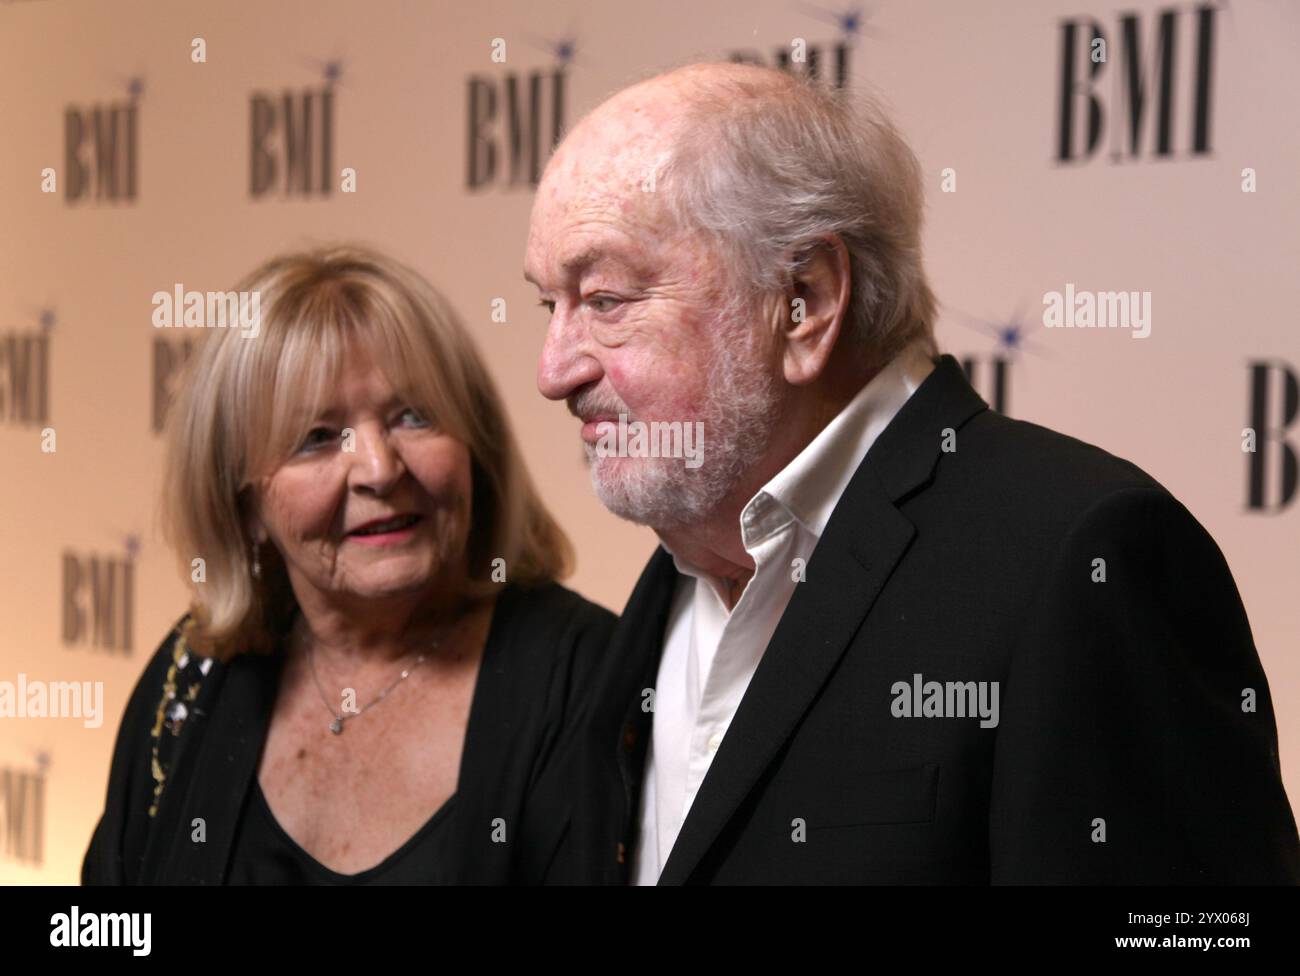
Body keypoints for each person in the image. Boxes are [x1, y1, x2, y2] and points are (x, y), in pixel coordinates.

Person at [523, 61, 1300, 884]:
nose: (553, 371)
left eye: (605, 300)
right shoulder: (682, 564)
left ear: (805, 300)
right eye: (549, 306)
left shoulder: (1081, 558)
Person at [83, 244, 615, 884]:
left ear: (476, 445)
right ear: (244, 503)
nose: (380, 469)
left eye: (413, 417)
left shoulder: (588, 678)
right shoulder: (190, 675)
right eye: (316, 438)